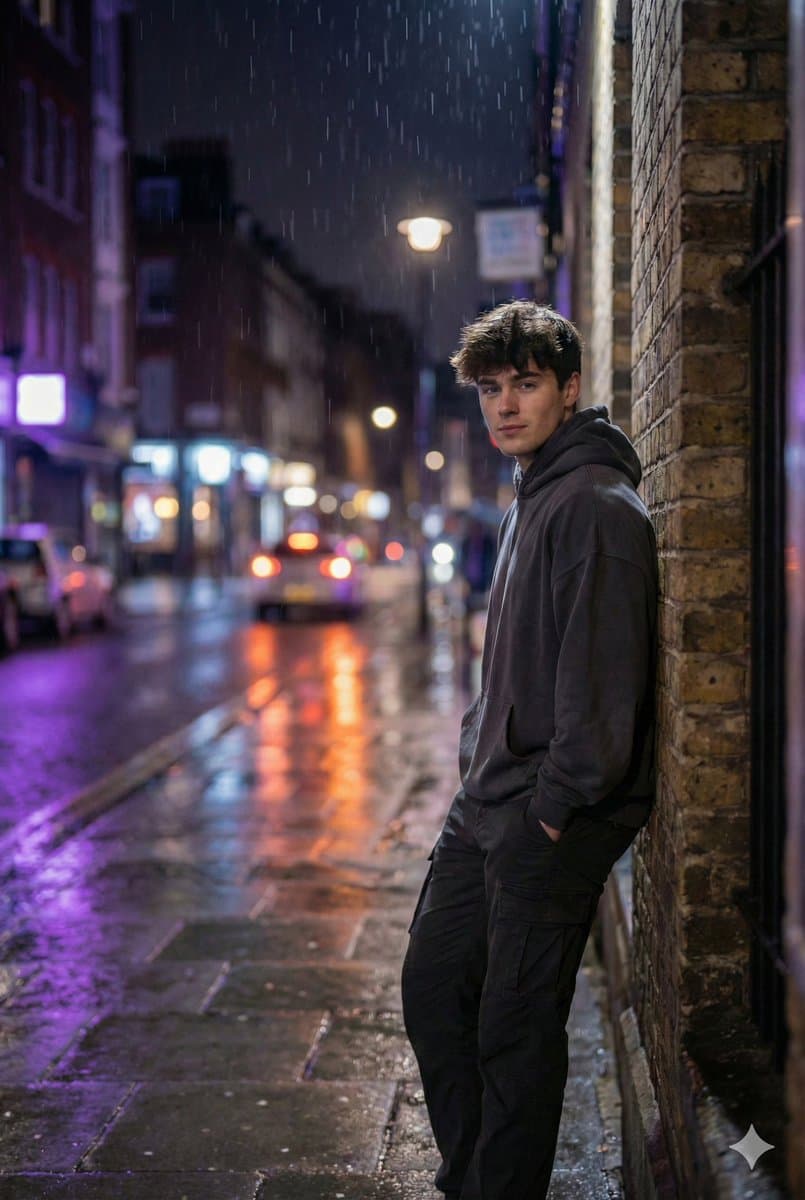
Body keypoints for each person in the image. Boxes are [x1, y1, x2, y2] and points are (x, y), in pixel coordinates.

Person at [401, 301, 658, 1200]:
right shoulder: (533, 491)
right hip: (488, 802)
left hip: (549, 817)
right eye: (491, 389)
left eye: (526, 383)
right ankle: (473, 1177)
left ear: (569, 388)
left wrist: (548, 813)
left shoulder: (593, 508)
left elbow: (603, 698)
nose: (505, 405)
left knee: (512, 1034)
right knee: (435, 994)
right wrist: (479, 758)